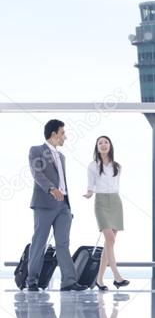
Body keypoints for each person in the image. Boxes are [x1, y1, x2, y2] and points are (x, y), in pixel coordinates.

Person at [27, 120, 85, 292]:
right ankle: (32, 281)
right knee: (40, 242)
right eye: (63, 133)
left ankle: (68, 281)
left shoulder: (62, 157)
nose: (65, 137)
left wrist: (64, 200)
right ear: (54, 134)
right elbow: (36, 172)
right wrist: (51, 188)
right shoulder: (36, 150)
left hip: (63, 205)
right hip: (44, 203)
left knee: (63, 243)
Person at [82, 135, 129, 290]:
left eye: (106, 142)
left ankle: (99, 280)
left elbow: (116, 186)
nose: (103, 145)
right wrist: (89, 193)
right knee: (110, 239)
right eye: (100, 143)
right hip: (101, 202)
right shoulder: (92, 166)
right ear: (97, 147)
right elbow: (91, 185)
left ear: (110, 145)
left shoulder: (118, 166)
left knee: (109, 243)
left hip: (115, 202)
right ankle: (117, 276)